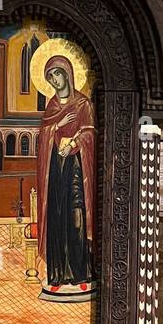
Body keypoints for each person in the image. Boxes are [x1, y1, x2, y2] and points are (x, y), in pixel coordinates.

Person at [35, 56, 95, 297]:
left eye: (57, 74)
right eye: (50, 77)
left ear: (68, 74)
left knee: (77, 215)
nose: (54, 80)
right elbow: (44, 135)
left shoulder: (83, 104)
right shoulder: (51, 107)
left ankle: (81, 274)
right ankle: (57, 274)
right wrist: (57, 126)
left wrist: (74, 144)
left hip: (77, 168)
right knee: (57, 218)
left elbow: (90, 133)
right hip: (56, 169)